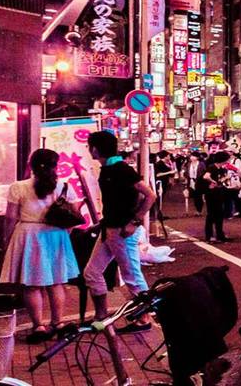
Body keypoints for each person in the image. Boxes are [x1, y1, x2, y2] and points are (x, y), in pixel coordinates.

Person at [82, 129, 157, 349]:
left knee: (132, 276)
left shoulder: (121, 169)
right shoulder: (107, 169)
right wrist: (100, 224)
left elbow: (150, 195)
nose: (89, 150)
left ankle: (144, 319)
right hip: (110, 230)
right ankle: (102, 315)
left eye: (90, 146)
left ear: (95, 148)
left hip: (123, 232)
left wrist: (134, 222)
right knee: (92, 272)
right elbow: (115, 204)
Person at [1, 148, 79, 341]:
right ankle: (58, 323)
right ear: (56, 166)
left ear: (32, 165)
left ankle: (39, 327)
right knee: (56, 282)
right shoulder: (64, 186)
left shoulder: (18, 187)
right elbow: (73, 216)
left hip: (29, 235)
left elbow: (10, 217)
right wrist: (63, 233)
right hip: (56, 235)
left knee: (32, 284)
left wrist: (6, 239)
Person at [199, 152, 232, 243]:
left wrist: (224, 179)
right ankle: (209, 236)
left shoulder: (220, 168)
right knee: (211, 215)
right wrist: (213, 181)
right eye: (228, 159)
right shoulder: (212, 167)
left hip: (219, 193)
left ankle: (219, 234)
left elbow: (220, 180)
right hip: (211, 194)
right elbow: (206, 177)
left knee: (219, 215)